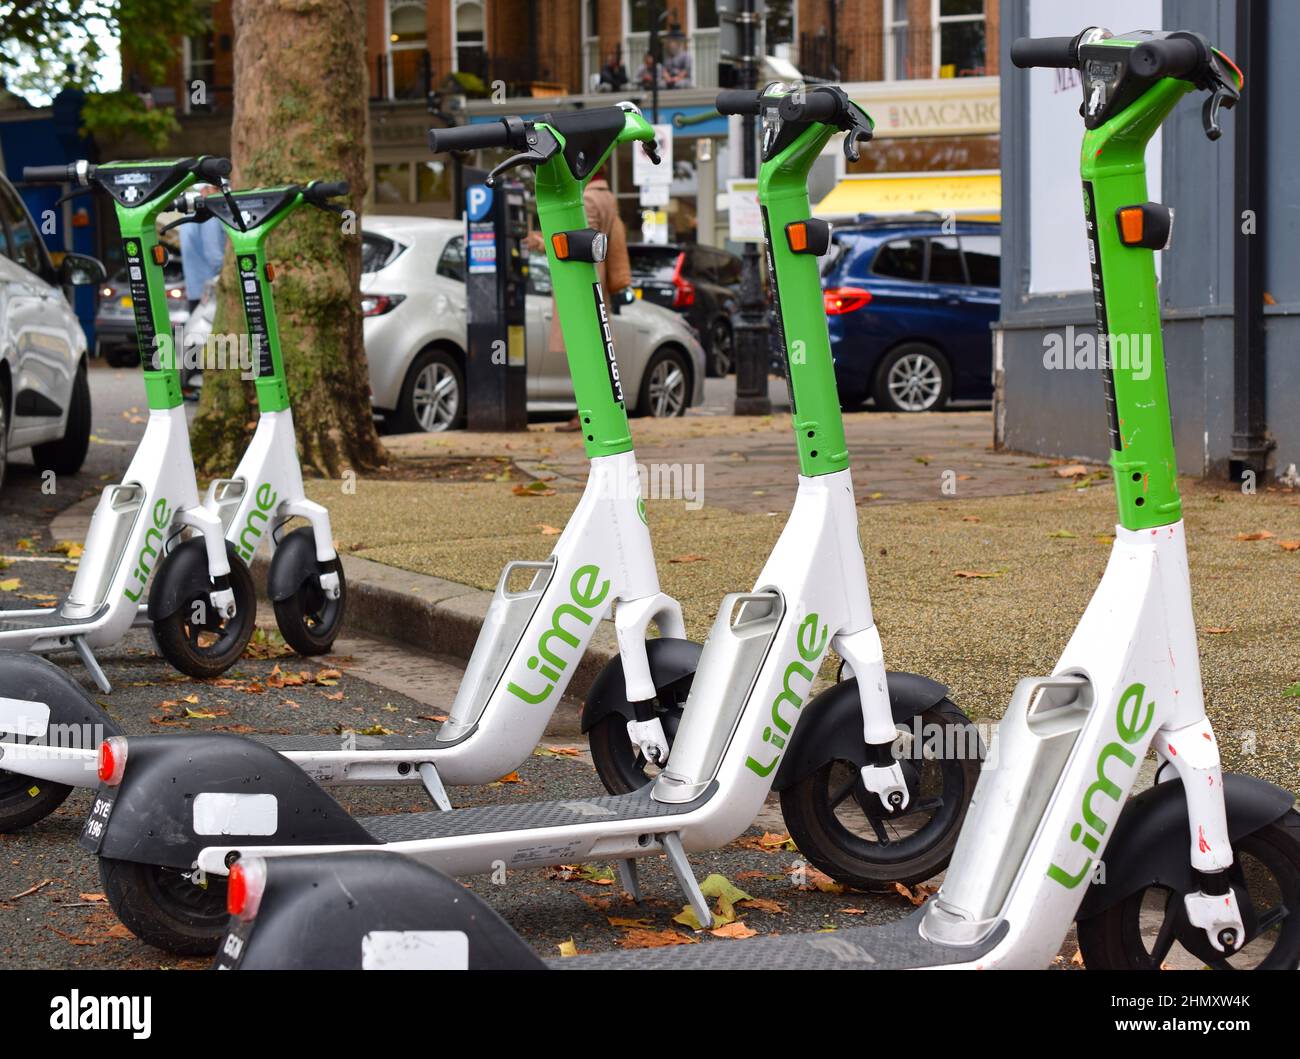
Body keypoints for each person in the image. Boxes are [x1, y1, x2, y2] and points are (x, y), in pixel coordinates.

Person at [528, 164, 631, 431]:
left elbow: (579, 241)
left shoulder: (587, 198)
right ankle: (595, 413)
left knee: (583, 351)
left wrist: (541, 243)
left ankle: (587, 415)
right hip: (598, 283)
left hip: (582, 283)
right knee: (596, 350)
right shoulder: (607, 197)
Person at [177, 185, 227, 311]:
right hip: (211, 293)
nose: (220, 192)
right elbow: (214, 255)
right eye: (216, 188)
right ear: (204, 190)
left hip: (194, 290)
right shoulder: (209, 215)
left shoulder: (188, 214)